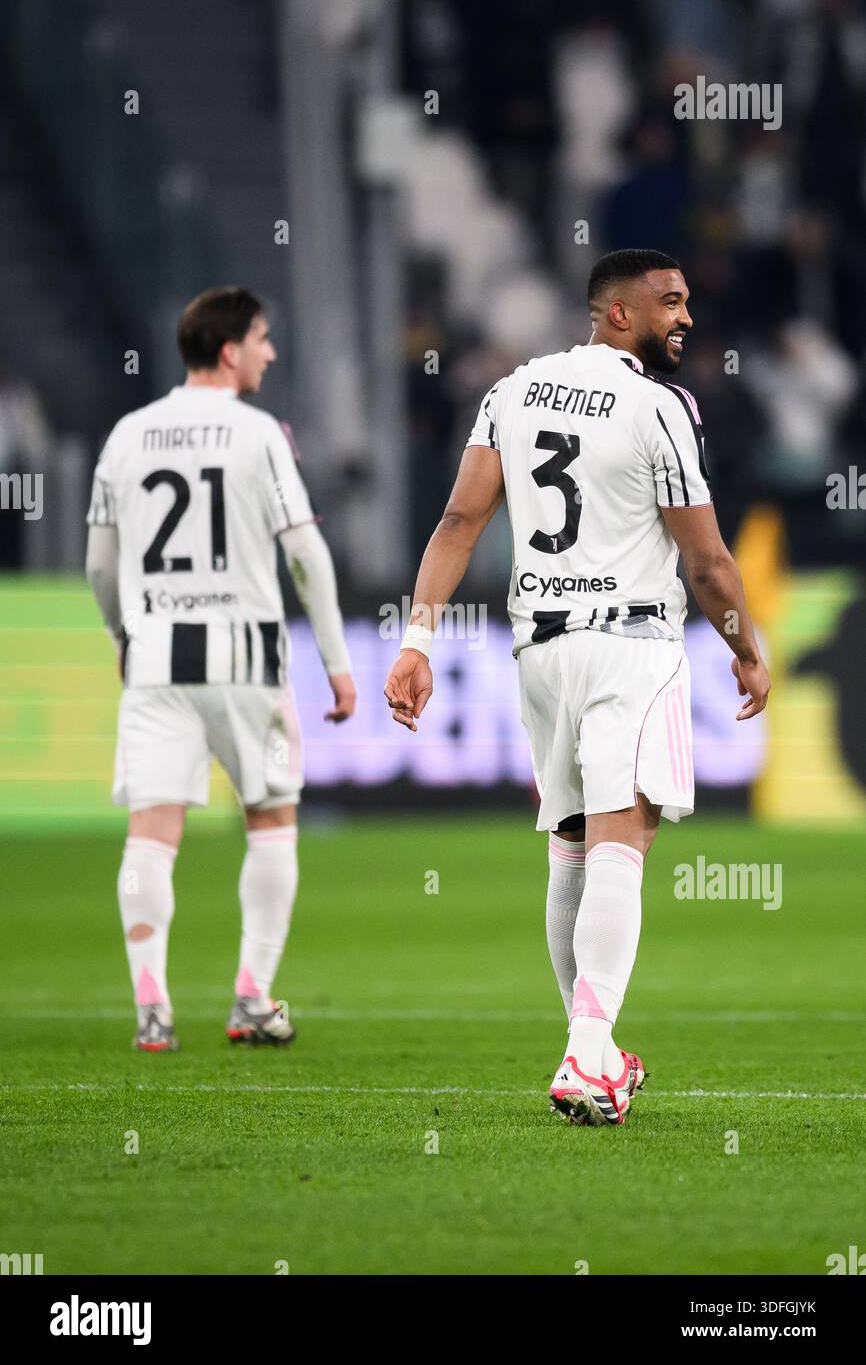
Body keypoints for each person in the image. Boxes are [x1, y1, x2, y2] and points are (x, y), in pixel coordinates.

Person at [384, 249, 770, 1126]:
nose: (687, 318)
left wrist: (416, 638)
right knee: (621, 850)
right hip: (629, 645)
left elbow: (458, 520)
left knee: (570, 849)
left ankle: (592, 1054)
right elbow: (706, 560)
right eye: (672, 302)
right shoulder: (657, 406)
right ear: (619, 313)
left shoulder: (511, 391)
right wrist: (746, 647)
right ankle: (585, 1057)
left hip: (540, 654)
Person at [86, 286, 356, 1052]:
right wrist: (336, 663)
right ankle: (252, 995)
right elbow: (305, 551)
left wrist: (121, 636)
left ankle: (151, 1003)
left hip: (157, 661)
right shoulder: (259, 433)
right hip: (245, 663)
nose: (271, 354)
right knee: (270, 819)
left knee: (151, 832)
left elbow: (100, 564)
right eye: (264, 340)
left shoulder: (129, 434)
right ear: (231, 349)